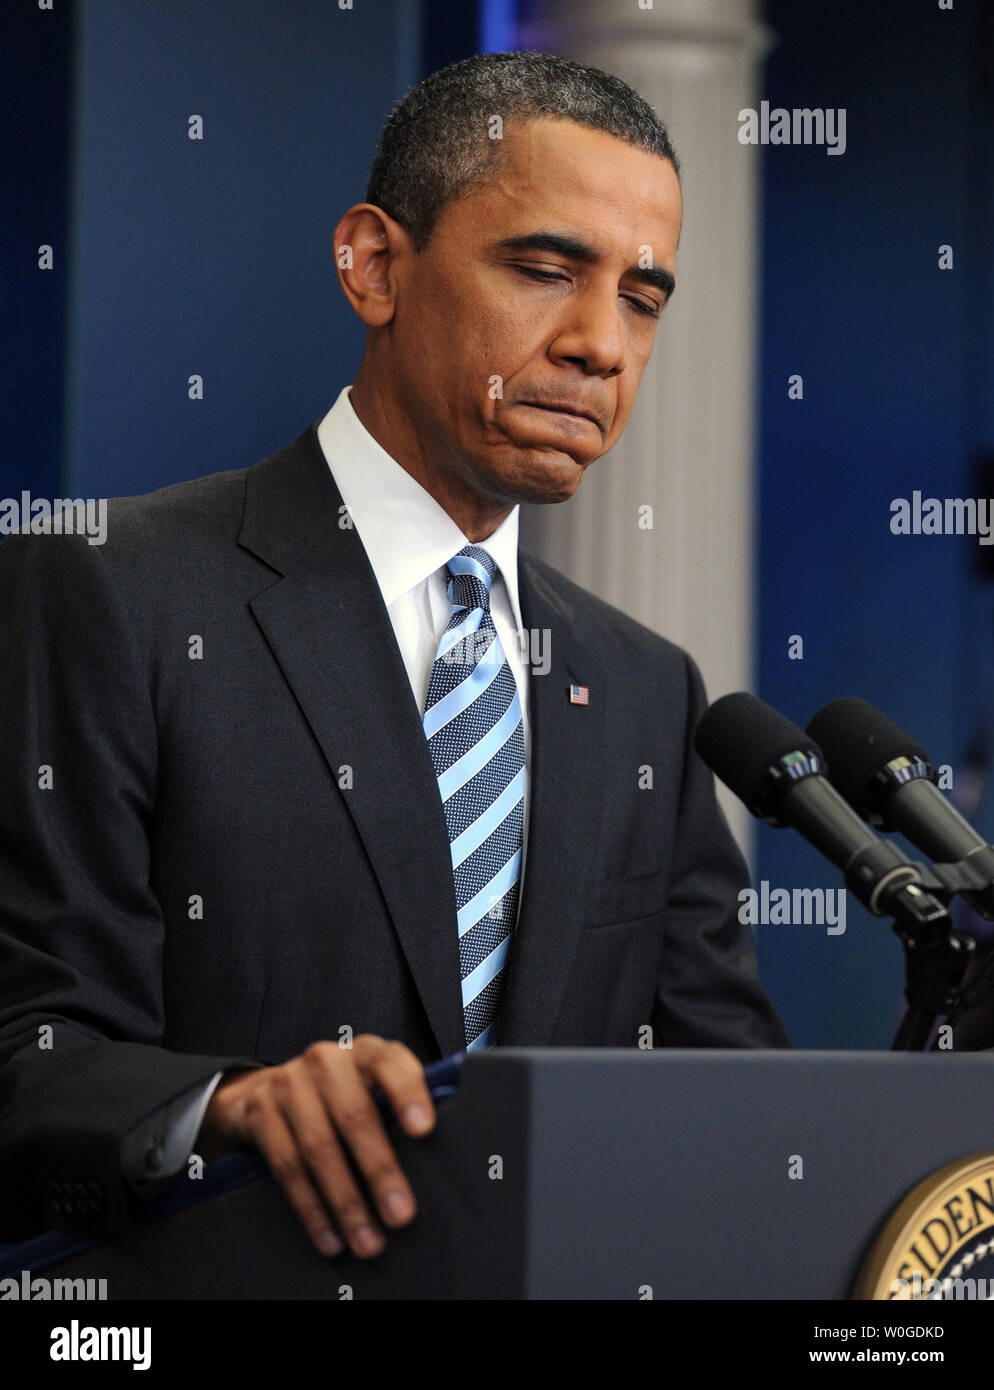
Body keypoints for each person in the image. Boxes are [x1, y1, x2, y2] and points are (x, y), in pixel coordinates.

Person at [0, 51, 789, 1260]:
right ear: (374, 266)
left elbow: (728, 1106)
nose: (600, 344)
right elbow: (29, 1043)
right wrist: (229, 1105)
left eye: (642, 297)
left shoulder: (641, 684)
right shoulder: (113, 585)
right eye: (543, 268)